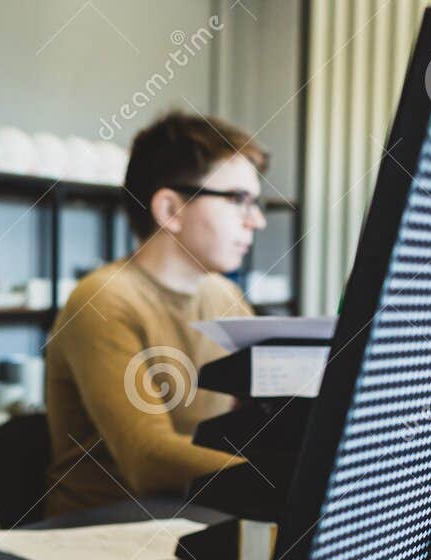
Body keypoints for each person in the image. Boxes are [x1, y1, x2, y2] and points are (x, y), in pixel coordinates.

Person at [44, 112, 268, 516]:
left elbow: (265, 411)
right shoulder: (103, 299)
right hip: (102, 540)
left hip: (197, 518)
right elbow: (148, 458)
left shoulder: (226, 296)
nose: (257, 220)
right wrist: (286, 479)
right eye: (238, 200)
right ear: (170, 209)